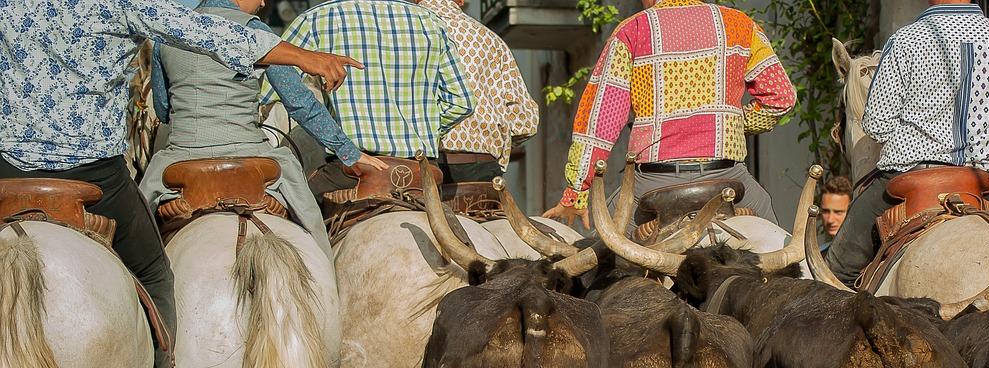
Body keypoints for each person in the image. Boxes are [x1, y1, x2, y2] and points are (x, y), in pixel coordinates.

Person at [0, 0, 359, 368]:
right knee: (154, 274)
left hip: (8, 170)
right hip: (95, 174)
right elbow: (208, 33)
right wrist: (305, 58)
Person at [825, 0, 989, 284]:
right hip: (977, 185)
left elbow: (877, 127)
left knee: (832, 276)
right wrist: (988, 132)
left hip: (907, 180)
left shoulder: (906, 41)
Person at [140, 0, 387, 258]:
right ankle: (327, 275)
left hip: (181, 157)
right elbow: (300, 103)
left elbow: (163, 110)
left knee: (133, 237)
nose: (263, 2)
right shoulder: (257, 31)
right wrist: (348, 152)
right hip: (252, 155)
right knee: (314, 230)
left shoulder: (168, 31)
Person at [542, 0, 796, 229]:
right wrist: (733, 126)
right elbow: (782, 98)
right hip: (728, 178)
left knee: (602, 255)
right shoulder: (740, 25)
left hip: (653, 183)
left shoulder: (632, 30)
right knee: (781, 252)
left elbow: (598, 122)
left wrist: (575, 194)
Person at [272, 0, 475, 199]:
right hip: (421, 172)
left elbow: (270, 94)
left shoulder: (314, 19)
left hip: (352, 168)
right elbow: (462, 102)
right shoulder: (430, 21)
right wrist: (424, 131)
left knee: (290, 207)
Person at [417, 0, 539, 184]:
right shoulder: (491, 40)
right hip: (481, 166)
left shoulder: (404, 34)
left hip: (420, 164)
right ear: (461, 1)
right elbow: (525, 122)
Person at [818, 175, 853, 255]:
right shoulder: (819, 253)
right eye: (826, 211)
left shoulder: (866, 253)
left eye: (838, 212)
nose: (830, 220)